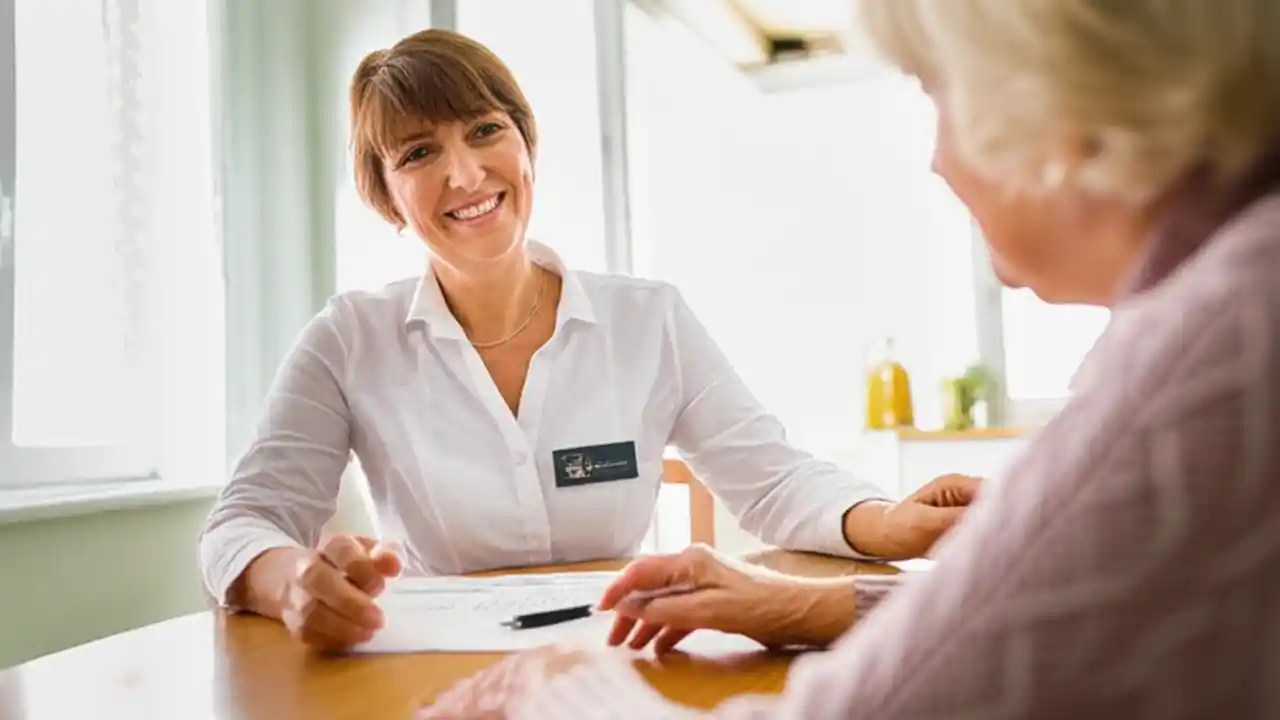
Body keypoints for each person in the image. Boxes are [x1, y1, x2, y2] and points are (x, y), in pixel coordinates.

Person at [419, 0, 1280, 716]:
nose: (938, 160)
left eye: (937, 89)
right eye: (419, 154)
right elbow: (1039, 610)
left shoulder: (1220, 330)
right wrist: (798, 600)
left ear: (1063, 86)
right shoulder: (1223, 294)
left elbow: (771, 477)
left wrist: (562, 689)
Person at [197, 28, 979, 652]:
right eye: (419, 153)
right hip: (428, 668)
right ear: (386, 193)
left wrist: (889, 522)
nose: (465, 175)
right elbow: (242, 523)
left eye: (485, 130)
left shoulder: (650, 320)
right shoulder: (348, 339)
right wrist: (291, 581)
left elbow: (772, 482)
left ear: (526, 145)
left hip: (624, 651)